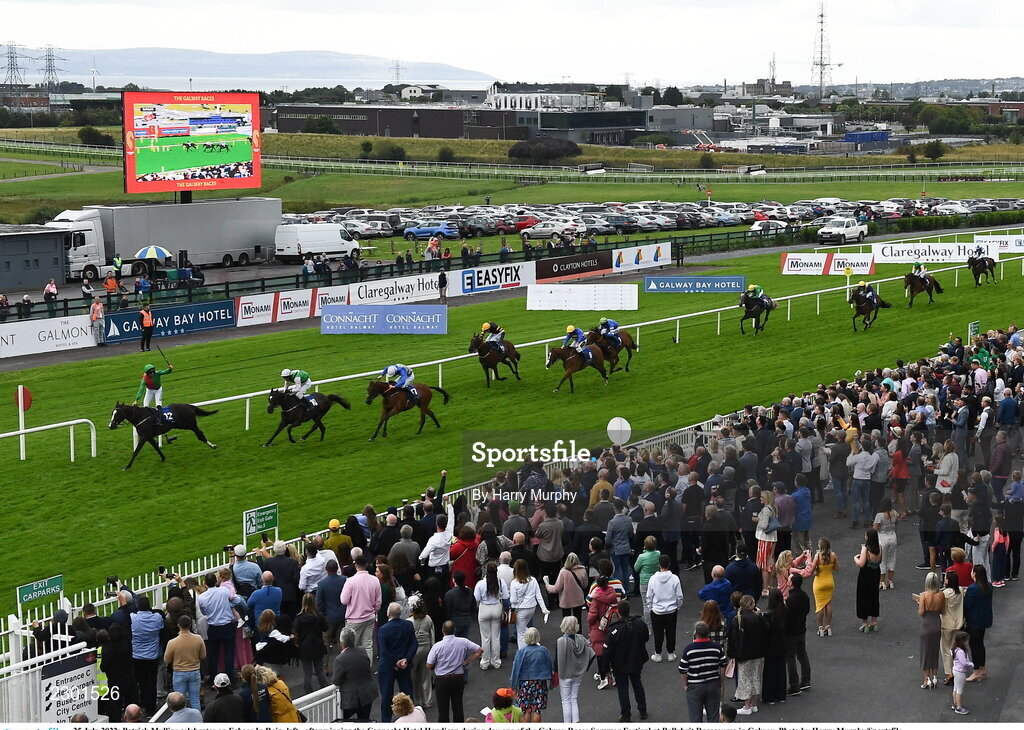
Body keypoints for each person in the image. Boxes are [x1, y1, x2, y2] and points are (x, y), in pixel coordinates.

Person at [426, 620, 482, 722]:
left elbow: (429, 665)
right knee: (458, 708)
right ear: (454, 630)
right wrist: (467, 661)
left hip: (442, 681)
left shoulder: (437, 646)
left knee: (443, 711)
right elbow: (479, 650)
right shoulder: (463, 641)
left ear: (442, 631)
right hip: (458, 679)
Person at [604, 599, 649, 722]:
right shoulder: (639, 623)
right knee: (637, 685)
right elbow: (645, 637)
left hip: (619, 664)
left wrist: (605, 668)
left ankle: (626, 714)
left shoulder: (614, 629)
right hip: (636, 660)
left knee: (623, 689)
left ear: (618, 612)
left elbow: (607, 650)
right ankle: (643, 710)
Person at [678, 620, 727, 723]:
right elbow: (723, 665)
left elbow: (683, 669)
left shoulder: (689, 649)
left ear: (696, 633)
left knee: (695, 718)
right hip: (713, 684)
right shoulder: (717, 647)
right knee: (713, 716)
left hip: (695, 686)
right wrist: (720, 681)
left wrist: (686, 684)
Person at [376, 602, 417, 723]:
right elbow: (414, 644)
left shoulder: (383, 630)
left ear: (388, 614)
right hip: (405, 665)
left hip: (388, 666)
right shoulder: (408, 625)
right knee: (407, 692)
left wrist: (396, 662)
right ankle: (410, 717)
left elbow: (384, 651)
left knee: (386, 694)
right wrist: (406, 659)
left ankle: (386, 721)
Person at [727, 594, 767, 715]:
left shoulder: (736, 620)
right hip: (759, 653)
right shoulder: (757, 618)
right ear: (751, 605)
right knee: (756, 677)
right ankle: (754, 704)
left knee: (745, 679)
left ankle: (747, 706)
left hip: (744, 654)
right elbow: (767, 630)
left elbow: (732, 639)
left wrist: (731, 654)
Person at [332, 627, 378, 721]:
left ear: (341, 642)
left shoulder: (340, 659)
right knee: (364, 721)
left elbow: (336, 681)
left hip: (351, 699)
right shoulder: (362, 650)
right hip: (367, 695)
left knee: (341, 720)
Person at [129, 596, 164, 716]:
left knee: (141, 682)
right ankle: (151, 707)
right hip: (151, 656)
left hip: (137, 656)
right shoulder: (157, 618)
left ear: (138, 606)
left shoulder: (133, 618)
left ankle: (143, 704)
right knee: (151, 682)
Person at [555, 615, 594, 723]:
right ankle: (576, 722)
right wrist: (585, 667)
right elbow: (591, 653)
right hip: (578, 674)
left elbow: (557, 660)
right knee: (573, 699)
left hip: (565, 675)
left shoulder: (561, 641)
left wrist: (556, 673)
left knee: (565, 701)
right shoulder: (581, 639)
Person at [510, 626, 554, 722]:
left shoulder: (522, 652)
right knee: (537, 710)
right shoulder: (543, 650)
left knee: (527, 710)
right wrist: (551, 682)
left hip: (525, 684)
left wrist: (513, 685)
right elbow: (549, 666)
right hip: (540, 683)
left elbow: (516, 669)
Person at [163, 615, 206, 711]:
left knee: (179, 702)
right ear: (190, 625)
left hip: (179, 673)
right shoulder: (198, 639)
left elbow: (167, 660)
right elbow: (203, 656)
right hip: (194, 671)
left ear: (179, 625)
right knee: (195, 699)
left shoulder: (172, 642)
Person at [646, 555, 684, 663]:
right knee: (671, 631)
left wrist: (650, 607)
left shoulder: (653, 579)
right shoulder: (674, 578)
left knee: (658, 632)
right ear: (669, 564)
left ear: (659, 565)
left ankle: (658, 653)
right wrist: (678, 606)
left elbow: (649, 596)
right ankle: (670, 653)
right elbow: (679, 595)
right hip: (671, 610)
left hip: (657, 610)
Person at [474, 562, 509, 670]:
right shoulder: (500, 582)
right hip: (496, 608)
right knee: (496, 636)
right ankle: (496, 661)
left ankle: (485, 661)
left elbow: (476, 598)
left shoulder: (480, 583)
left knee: (485, 637)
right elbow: (506, 596)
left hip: (484, 608)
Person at [293, 593, 328, 694]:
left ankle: (308, 691)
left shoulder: (299, 618)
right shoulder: (319, 615)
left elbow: (296, 631)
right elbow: (326, 628)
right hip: (318, 645)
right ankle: (324, 687)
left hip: (304, 648)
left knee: (307, 672)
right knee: (319, 670)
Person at [509, 559, 549, 647]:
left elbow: (513, 600)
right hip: (531, 608)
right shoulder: (533, 580)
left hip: (520, 610)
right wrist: (544, 609)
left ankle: (523, 652)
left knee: (520, 633)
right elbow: (538, 595)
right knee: (524, 628)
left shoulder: (514, 583)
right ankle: (534, 641)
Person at [963, 564, 992, 683]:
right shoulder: (988, 586)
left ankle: (976, 671)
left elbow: (967, 606)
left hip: (974, 621)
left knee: (974, 646)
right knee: (980, 644)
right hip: (984, 620)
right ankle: (982, 668)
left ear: (975, 574)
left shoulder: (973, 588)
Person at [784, 574, 812, 695]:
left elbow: (788, 617)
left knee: (790, 657)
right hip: (801, 629)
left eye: (789, 579)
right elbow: (807, 610)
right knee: (802, 654)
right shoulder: (804, 596)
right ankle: (806, 680)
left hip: (791, 632)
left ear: (792, 583)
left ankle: (794, 685)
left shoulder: (790, 599)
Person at [854, 528, 882, 632]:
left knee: (863, 597)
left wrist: (855, 558)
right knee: (874, 595)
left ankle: (864, 623)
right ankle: (874, 621)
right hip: (875, 573)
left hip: (865, 574)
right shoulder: (880, 547)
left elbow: (861, 564)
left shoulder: (865, 549)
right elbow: (880, 561)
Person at [940, 571, 965, 685]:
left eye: (946, 579)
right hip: (958, 623)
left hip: (947, 624)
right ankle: (956, 669)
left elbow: (941, 608)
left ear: (949, 581)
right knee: (955, 648)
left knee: (946, 649)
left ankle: (949, 672)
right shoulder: (960, 590)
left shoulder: (945, 593)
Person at [812, 537, 838, 637]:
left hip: (819, 583)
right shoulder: (833, 555)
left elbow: (811, 569)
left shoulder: (817, 556)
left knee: (819, 606)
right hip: (829, 582)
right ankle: (828, 626)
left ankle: (820, 628)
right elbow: (837, 568)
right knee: (828, 604)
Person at [874, 497, 900, 590]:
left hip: (882, 538)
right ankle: (890, 581)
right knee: (892, 558)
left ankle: (882, 582)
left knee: (882, 560)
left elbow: (874, 529)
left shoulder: (879, 515)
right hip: (893, 537)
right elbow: (896, 524)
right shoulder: (895, 513)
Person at [950, 630, 974, 715]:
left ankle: (955, 703)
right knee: (959, 690)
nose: (968, 642)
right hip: (960, 673)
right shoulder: (960, 651)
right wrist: (972, 664)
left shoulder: (954, 649)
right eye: (967, 640)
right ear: (963, 641)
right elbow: (964, 663)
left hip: (955, 670)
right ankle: (959, 707)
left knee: (955, 688)